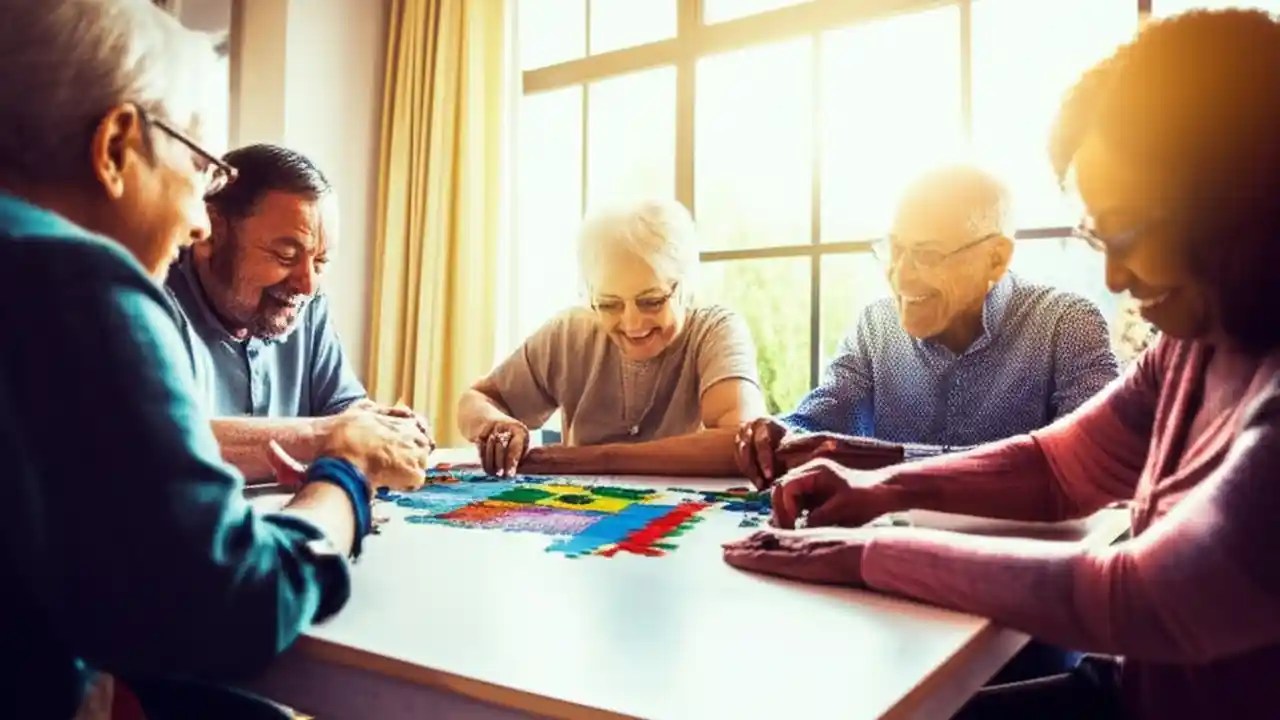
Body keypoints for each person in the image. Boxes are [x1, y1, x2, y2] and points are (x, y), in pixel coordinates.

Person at [723, 9, 1280, 720]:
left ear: (1243, 195)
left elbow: (1149, 601)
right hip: (1133, 692)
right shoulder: (1190, 345)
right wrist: (883, 491)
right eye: (1095, 234)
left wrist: (860, 554)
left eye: (1132, 230)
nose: (1111, 276)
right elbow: (1058, 468)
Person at [0, 1, 431, 718]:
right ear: (114, 146)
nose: (199, 219)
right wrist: (346, 474)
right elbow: (232, 610)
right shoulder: (73, 281)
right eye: (200, 173)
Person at [735, 164, 1119, 487]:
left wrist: (889, 460)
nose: (901, 278)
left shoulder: (1066, 325)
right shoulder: (877, 325)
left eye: (928, 255)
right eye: (895, 249)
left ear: (996, 259)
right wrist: (776, 434)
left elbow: (1083, 458)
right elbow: (821, 419)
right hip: (883, 554)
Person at [167, 143, 432, 481]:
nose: (307, 285)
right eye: (285, 257)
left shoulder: (306, 306)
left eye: (320, 262)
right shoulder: (151, 301)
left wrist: (386, 426)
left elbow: (344, 412)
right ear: (211, 232)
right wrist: (323, 437)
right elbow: (162, 440)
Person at [457, 198, 767, 477]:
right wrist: (496, 425)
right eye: (609, 304)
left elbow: (741, 441)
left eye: (652, 301)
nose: (632, 323)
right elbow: (476, 400)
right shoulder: (570, 333)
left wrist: (593, 458)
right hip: (583, 518)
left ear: (685, 287)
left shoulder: (715, 330)